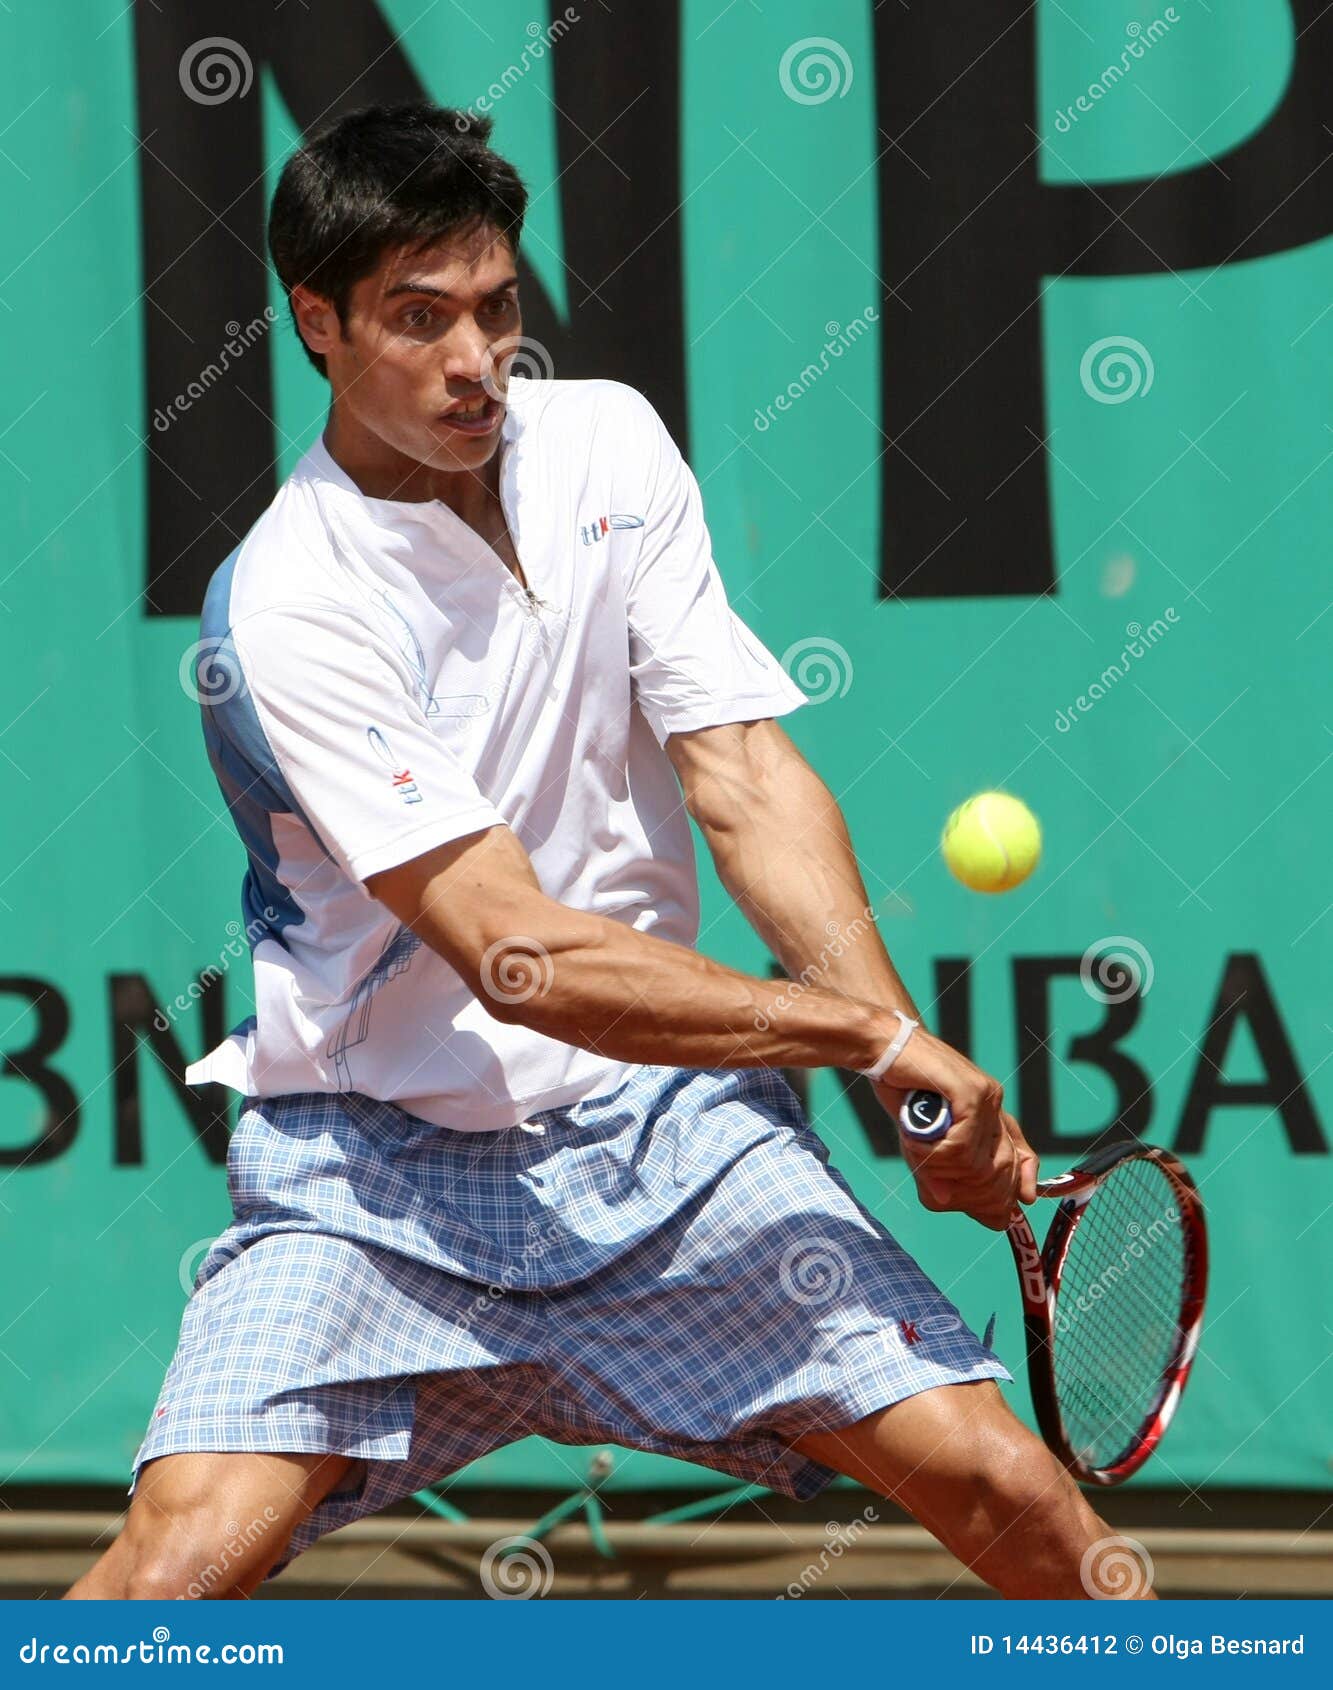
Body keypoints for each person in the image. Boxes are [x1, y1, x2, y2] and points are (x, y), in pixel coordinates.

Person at [67, 103, 1133, 1601]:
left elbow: (745, 775)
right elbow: (518, 954)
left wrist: (894, 1064)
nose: (470, 363)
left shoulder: (608, 440)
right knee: (166, 1574)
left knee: (1017, 1497)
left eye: (495, 310)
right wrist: (866, 1032)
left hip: (673, 1140)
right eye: (414, 319)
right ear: (315, 320)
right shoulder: (290, 602)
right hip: (375, 1183)